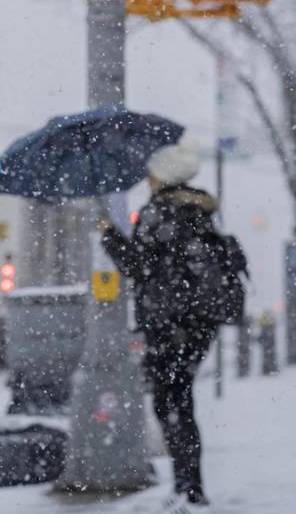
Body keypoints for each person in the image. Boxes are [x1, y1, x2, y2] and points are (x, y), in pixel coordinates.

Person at [99, 139, 218, 509]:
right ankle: (189, 485)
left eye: (152, 174)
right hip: (197, 322)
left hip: (167, 321)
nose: (148, 180)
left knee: (170, 404)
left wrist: (110, 236)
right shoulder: (199, 210)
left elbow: (140, 268)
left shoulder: (159, 212)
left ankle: (187, 487)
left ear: (164, 176)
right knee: (182, 401)